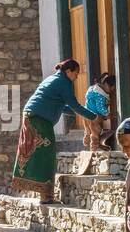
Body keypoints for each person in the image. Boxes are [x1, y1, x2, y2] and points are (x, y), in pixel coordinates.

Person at [12, 58, 98, 201]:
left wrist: (82, 114)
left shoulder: (53, 79)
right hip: (38, 119)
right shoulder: (63, 83)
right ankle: (45, 195)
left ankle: (43, 193)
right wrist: (93, 116)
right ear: (68, 71)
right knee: (47, 153)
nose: (76, 77)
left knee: (39, 153)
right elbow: (74, 105)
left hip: (31, 116)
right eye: (76, 74)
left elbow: (62, 106)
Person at [82, 73, 116, 150]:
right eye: (111, 89)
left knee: (88, 130)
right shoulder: (100, 95)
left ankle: (87, 137)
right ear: (106, 84)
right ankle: (94, 148)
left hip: (86, 115)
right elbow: (100, 108)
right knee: (95, 133)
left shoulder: (93, 89)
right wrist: (107, 114)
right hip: (94, 117)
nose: (111, 91)